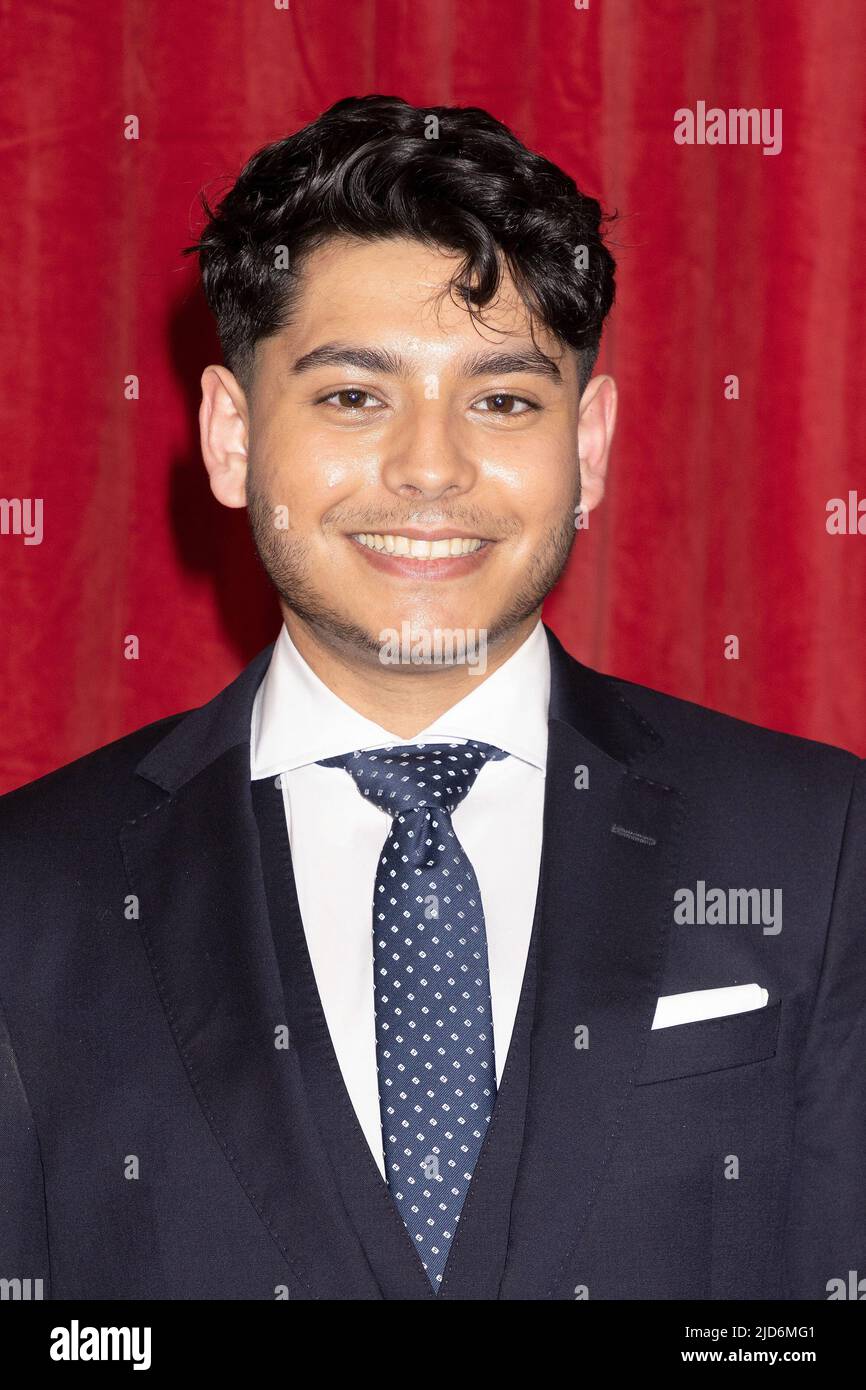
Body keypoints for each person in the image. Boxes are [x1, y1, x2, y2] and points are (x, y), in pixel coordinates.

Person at [1, 95, 863, 1301]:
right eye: (354, 395)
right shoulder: (32, 890)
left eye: (502, 400)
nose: (428, 467)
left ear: (590, 445)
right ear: (232, 434)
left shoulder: (816, 843)